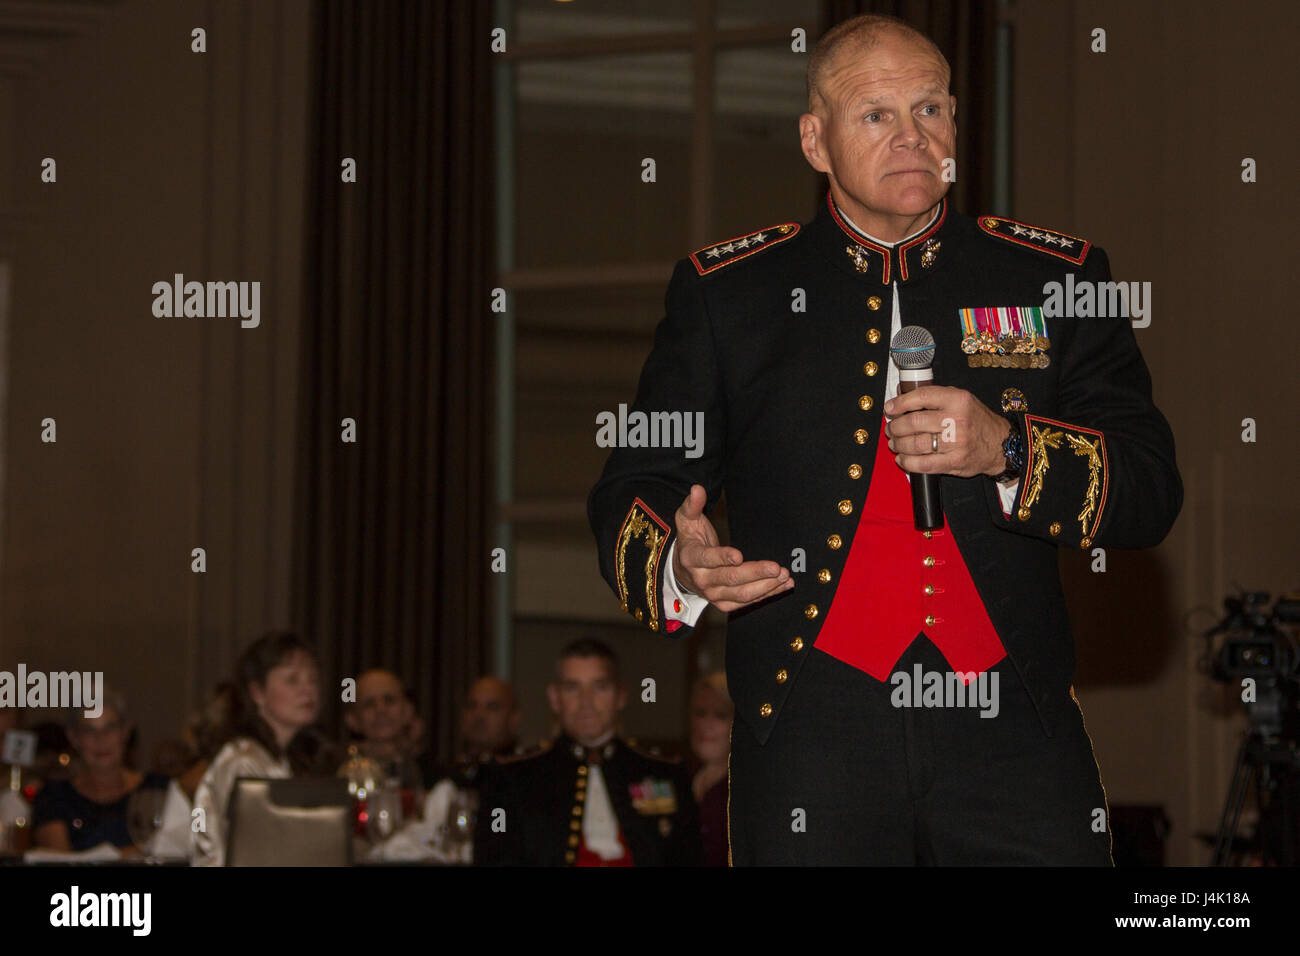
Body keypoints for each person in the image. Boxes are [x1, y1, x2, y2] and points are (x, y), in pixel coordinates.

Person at [588, 14, 1181, 865]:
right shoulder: (733, 294)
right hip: (813, 733)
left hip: (1012, 732)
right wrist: (682, 568)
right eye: (876, 115)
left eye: (931, 109)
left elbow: (1151, 485)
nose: (913, 138)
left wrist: (1009, 448)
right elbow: (630, 486)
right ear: (814, 140)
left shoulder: (1056, 279)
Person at [474, 639, 700, 866]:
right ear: (554, 698)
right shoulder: (511, 777)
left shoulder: (666, 772)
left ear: (620, 696)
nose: (586, 703)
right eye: (572, 687)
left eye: (600, 687)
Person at [191, 631, 333, 866]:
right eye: (292, 680)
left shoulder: (286, 758)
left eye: (313, 679)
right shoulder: (243, 761)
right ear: (257, 692)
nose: (308, 689)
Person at [31, 689, 169, 853]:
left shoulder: (158, 790)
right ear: (74, 738)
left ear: (125, 732)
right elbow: (59, 859)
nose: (101, 739)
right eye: (89, 730)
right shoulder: (54, 798)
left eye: (110, 728)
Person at [687, 672, 732, 867]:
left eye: (720, 715)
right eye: (700, 713)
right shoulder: (678, 774)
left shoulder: (749, 791)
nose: (707, 724)